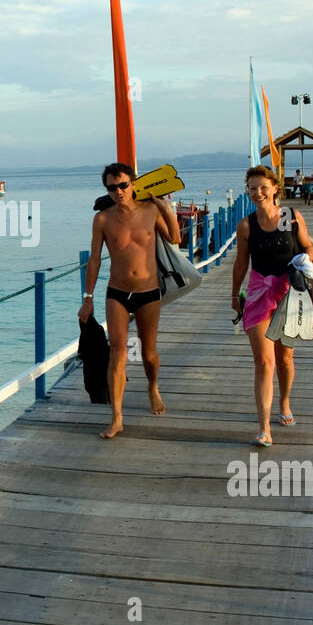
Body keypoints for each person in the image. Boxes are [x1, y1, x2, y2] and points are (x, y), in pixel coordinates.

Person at [78, 162, 180, 439]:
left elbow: (175, 237)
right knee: (118, 352)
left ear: (133, 183)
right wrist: (88, 298)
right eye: (112, 187)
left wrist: (166, 208)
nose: (119, 191)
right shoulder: (103, 219)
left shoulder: (150, 211)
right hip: (117, 292)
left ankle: (153, 386)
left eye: (123, 185)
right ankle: (117, 418)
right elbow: (95, 259)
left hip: (149, 291)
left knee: (149, 352)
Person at [232, 165, 313, 446]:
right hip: (258, 293)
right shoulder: (247, 225)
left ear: (275, 188)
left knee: (285, 358)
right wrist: (235, 293)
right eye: (253, 188)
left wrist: (306, 260)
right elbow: (241, 261)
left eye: (263, 187)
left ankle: (285, 401)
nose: (258, 193)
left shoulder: (290, 217)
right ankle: (264, 427)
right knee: (264, 362)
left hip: (289, 292)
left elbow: (308, 247)